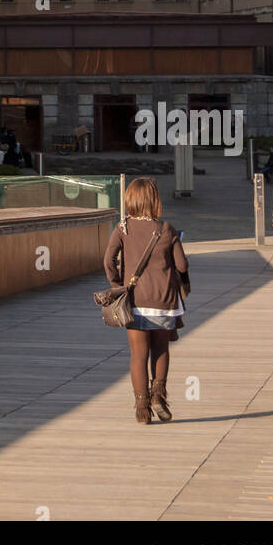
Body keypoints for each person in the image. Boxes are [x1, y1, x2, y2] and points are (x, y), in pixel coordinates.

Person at [103, 178, 190, 425]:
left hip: (135, 300)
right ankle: (158, 398)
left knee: (137, 355)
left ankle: (142, 409)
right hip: (163, 301)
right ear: (154, 200)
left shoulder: (123, 228)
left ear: (131, 199)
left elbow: (108, 260)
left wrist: (118, 285)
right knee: (160, 349)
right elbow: (182, 265)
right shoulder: (166, 229)